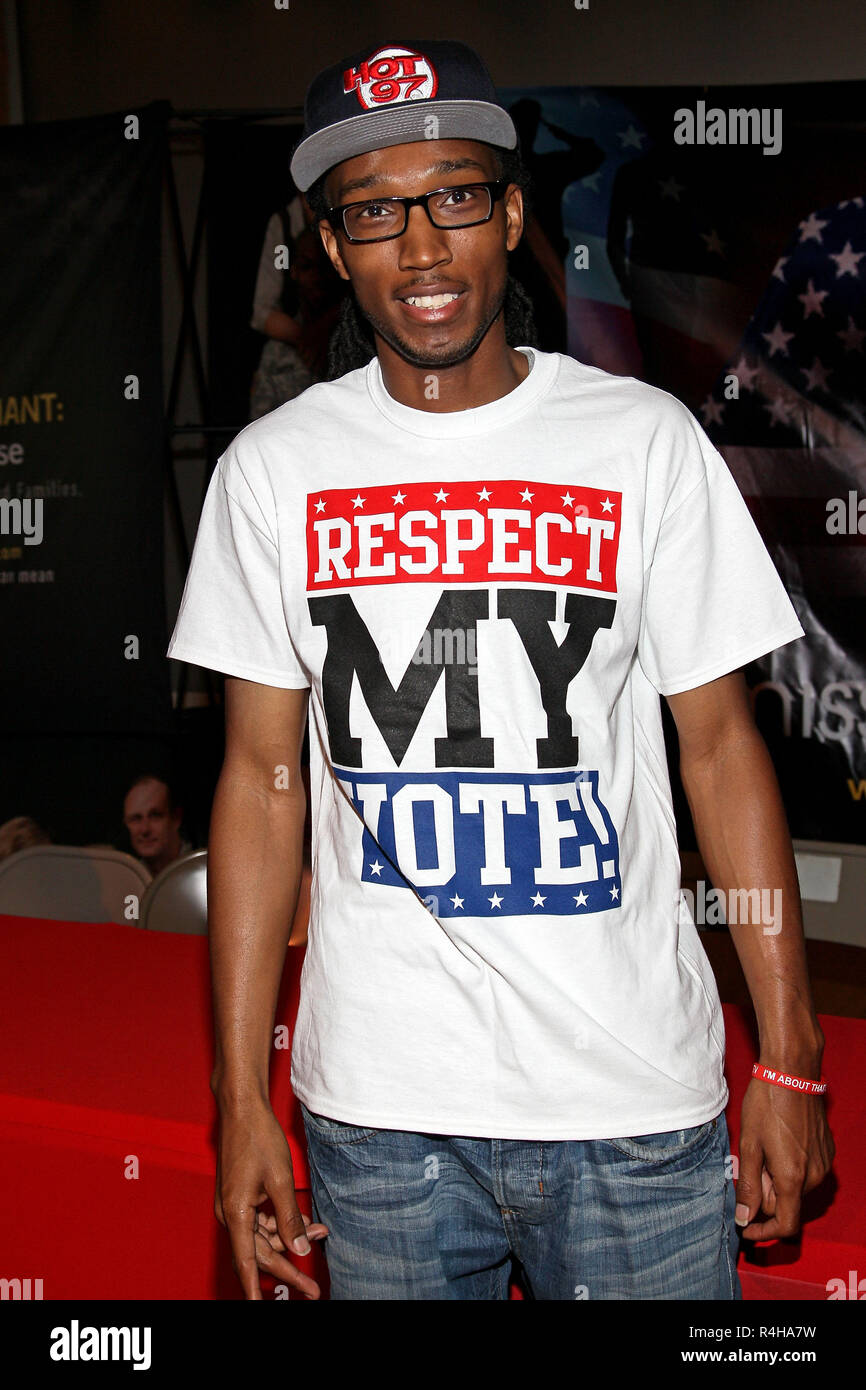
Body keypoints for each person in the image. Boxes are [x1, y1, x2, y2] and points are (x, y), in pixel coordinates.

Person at [166, 39, 834, 1301]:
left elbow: (719, 748)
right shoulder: (271, 468)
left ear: (511, 213)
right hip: (377, 1122)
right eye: (373, 212)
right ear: (331, 248)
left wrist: (787, 1057)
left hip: (632, 1102)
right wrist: (237, 1103)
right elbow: (260, 781)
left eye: (454, 197)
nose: (419, 249)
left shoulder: (640, 439)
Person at [249, 201, 345, 419]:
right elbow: (262, 311)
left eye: (323, 269)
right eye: (306, 268)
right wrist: (307, 338)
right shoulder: (283, 229)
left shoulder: (355, 346)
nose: (316, 278)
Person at [122, 774, 192, 878]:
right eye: (136, 819)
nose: (145, 829)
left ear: (176, 818)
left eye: (155, 816)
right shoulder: (126, 880)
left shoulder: (205, 869)